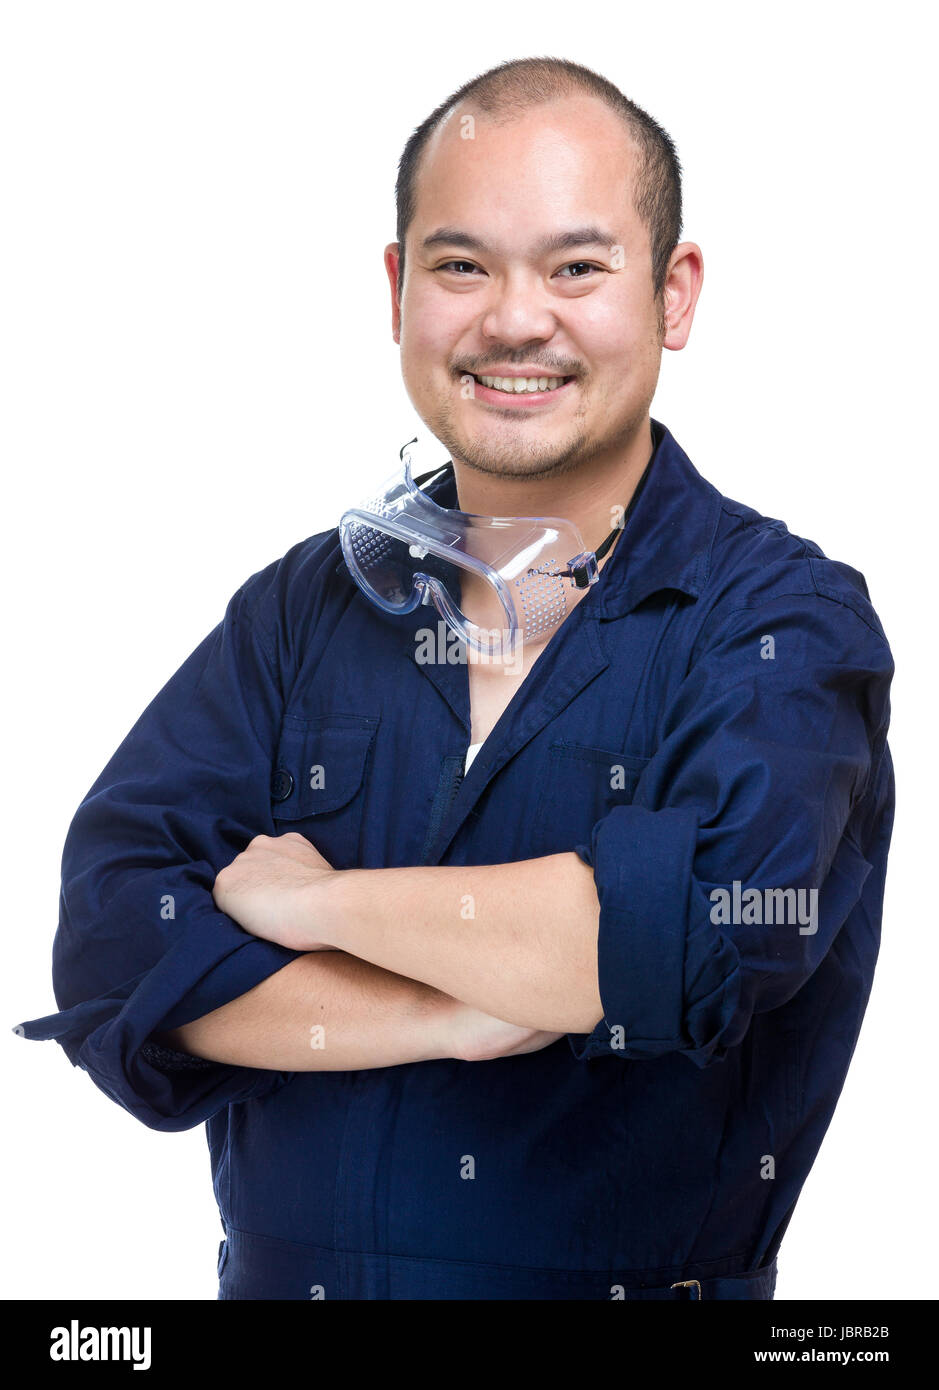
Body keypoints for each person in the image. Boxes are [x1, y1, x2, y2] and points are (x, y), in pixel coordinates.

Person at [17, 57, 894, 1301]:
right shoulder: (305, 607)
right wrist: (450, 1012)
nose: (514, 320)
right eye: (461, 264)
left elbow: (680, 940)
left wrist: (319, 906)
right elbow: (116, 944)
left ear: (674, 293)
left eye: (577, 267)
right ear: (397, 289)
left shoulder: (778, 622)